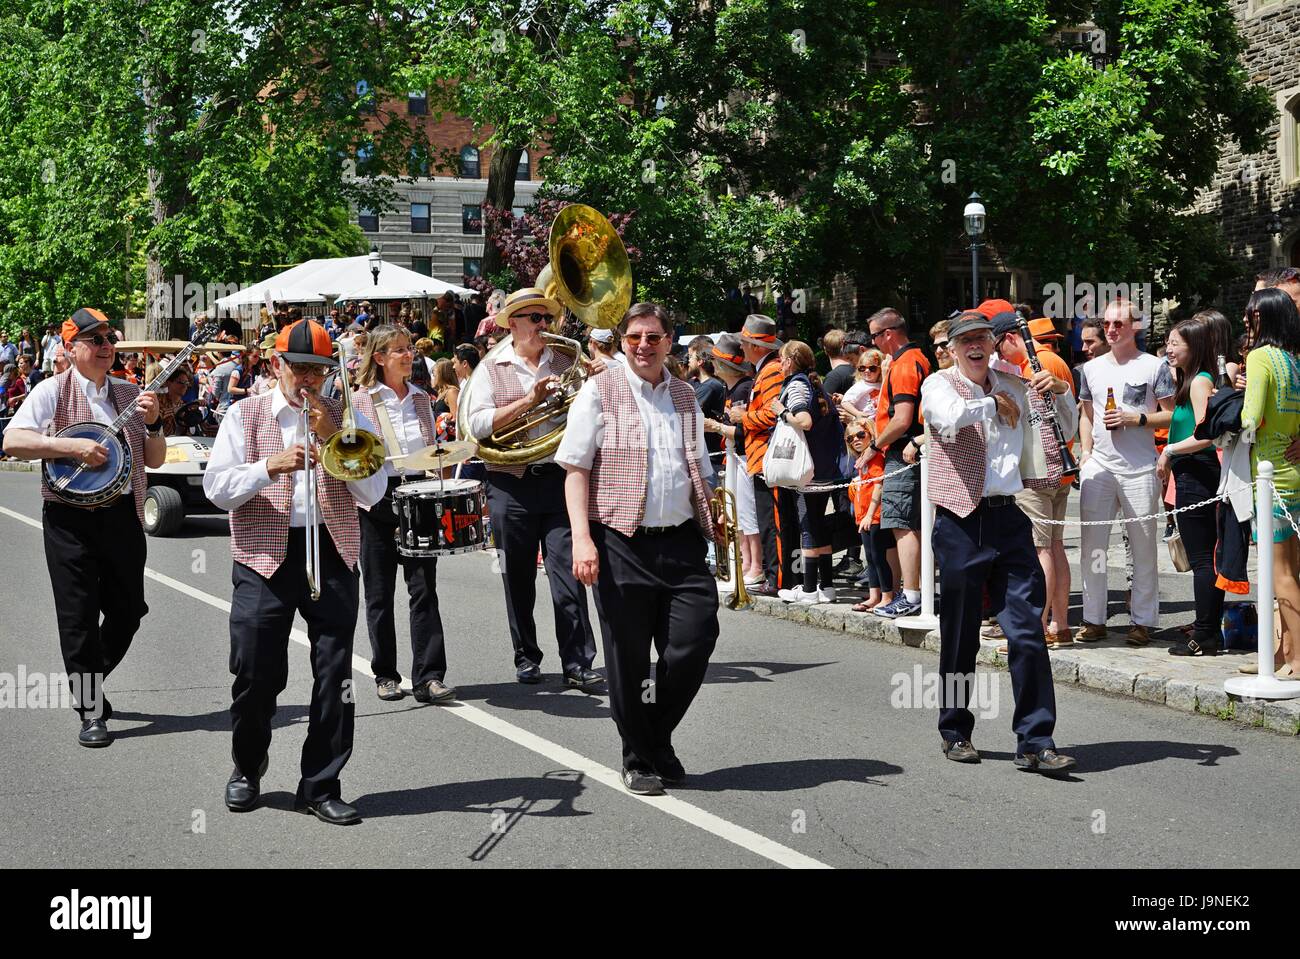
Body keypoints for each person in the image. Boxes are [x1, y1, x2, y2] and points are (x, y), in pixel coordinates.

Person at [203, 318, 387, 825]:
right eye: (298, 368)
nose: (307, 380)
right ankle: (247, 765)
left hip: (333, 549)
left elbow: (374, 496)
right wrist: (270, 467)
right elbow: (217, 489)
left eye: (318, 371)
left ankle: (320, 783)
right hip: (264, 553)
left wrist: (337, 438)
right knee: (255, 670)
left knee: (334, 673)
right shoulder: (245, 414)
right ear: (276, 365)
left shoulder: (352, 415)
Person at [558, 302, 720, 795]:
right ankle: (640, 757)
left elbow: (700, 469)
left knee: (694, 640)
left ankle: (654, 735)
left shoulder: (686, 395)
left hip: (682, 540)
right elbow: (576, 468)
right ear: (623, 342)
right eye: (634, 338)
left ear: (671, 341)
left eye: (653, 337)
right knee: (627, 657)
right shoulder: (598, 390)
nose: (644, 346)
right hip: (620, 541)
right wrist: (582, 540)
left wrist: (715, 524)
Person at [919, 311, 1076, 775]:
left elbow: (1060, 430)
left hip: (1009, 517)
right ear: (950, 348)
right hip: (960, 521)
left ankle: (1036, 739)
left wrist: (1062, 394)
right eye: (964, 339)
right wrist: (993, 403)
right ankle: (954, 729)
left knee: (1027, 631)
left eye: (982, 338)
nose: (974, 346)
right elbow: (947, 419)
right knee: (960, 635)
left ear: (993, 344)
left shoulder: (1016, 381)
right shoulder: (939, 385)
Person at [3, 308, 166, 747]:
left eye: (109, 338)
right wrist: (67, 445)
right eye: (94, 340)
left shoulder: (131, 392)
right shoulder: (49, 391)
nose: (106, 346)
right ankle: (90, 707)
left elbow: (154, 460)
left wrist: (154, 423)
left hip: (121, 515)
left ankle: (87, 677)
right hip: (68, 518)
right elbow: (11, 442)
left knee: (129, 611)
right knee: (77, 616)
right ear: (70, 348)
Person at [461, 287, 600, 686]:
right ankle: (526, 657)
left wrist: (598, 384)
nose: (544, 325)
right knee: (517, 578)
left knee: (569, 576)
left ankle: (578, 662)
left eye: (547, 318)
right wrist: (529, 400)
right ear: (514, 324)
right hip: (510, 484)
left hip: (558, 480)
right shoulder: (492, 367)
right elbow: (479, 426)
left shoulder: (567, 360)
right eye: (535, 319)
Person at [349, 325, 455, 704]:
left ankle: (429, 676)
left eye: (409, 348)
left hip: (417, 492)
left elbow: (430, 451)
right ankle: (386, 674)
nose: (409, 355)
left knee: (424, 589)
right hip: (376, 496)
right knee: (379, 593)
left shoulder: (422, 399)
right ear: (379, 358)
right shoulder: (359, 401)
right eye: (399, 350)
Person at [1075, 300, 1175, 646]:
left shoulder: (1154, 366)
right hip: (1100, 465)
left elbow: (1172, 415)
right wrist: (1086, 454)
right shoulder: (1091, 369)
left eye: (1119, 323)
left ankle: (1142, 622)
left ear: (1136, 326)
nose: (1112, 329)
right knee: (1093, 549)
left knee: (1143, 547)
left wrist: (1137, 419)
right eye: (1107, 324)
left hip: (1140, 467)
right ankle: (1094, 618)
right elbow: (1086, 414)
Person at [990, 312, 1077, 649]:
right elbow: (1065, 420)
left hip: (1039, 470)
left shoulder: (1035, 368)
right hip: (1059, 468)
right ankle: (1061, 625)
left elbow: (1033, 425)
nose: (999, 356)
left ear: (1011, 337)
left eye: (999, 347)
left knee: (1039, 550)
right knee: (1054, 546)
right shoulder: (1046, 364)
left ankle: (1036, 628)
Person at [1157, 312, 1226, 657]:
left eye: (1174, 343)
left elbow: (1206, 434)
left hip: (1197, 473)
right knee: (1204, 557)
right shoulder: (1191, 380)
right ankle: (1209, 630)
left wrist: (1168, 451)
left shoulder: (1199, 381)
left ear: (1193, 346)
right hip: (1192, 473)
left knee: (1201, 559)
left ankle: (1204, 635)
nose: (1168, 348)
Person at [1242, 287, 1300, 677]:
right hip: (1292, 473)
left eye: (1251, 315)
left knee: (1279, 576)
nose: (1247, 320)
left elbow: (1251, 417)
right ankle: (1281, 651)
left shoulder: (1260, 357)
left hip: (1268, 478)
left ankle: (1296, 659)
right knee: (1291, 570)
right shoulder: (1294, 362)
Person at [865, 308, 931, 618]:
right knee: (908, 525)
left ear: (888, 334)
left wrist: (873, 447)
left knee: (903, 526)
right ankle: (916, 592)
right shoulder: (912, 359)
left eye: (875, 336)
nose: (873, 342)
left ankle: (912, 595)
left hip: (903, 452)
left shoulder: (906, 363)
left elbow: (903, 419)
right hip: (911, 452)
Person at [729, 314, 797, 596]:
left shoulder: (769, 371)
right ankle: (774, 576)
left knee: (774, 523)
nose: (742, 349)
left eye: (745, 343)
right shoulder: (766, 369)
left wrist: (743, 417)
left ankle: (778, 578)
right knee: (769, 521)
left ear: (756, 346)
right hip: (762, 456)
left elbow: (771, 414)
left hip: (767, 456)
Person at [774, 339, 846, 603]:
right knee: (818, 525)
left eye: (782, 359)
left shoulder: (796, 385)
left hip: (806, 469)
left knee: (808, 525)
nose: (779, 364)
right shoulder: (814, 384)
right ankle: (825, 587)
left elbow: (804, 420)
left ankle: (807, 590)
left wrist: (782, 412)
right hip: (825, 467)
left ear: (790, 361)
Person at [702, 333, 763, 585]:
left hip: (744, 455)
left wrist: (715, 427)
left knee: (747, 513)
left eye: (716, 361)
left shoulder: (744, 388)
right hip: (734, 455)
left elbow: (743, 429)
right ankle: (745, 563)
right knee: (736, 512)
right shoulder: (732, 388)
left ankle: (754, 565)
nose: (713, 366)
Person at [847, 417, 896, 611]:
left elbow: (878, 486)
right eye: (850, 438)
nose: (856, 440)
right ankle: (874, 595)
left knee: (878, 556)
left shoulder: (875, 458)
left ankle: (886, 595)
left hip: (874, 516)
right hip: (863, 516)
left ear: (870, 435)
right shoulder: (861, 462)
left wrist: (869, 514)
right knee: (870, 557)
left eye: (861, 435)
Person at [687, 335, 726, 478]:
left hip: (710, 457)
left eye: (691, 356)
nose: (687, 361)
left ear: (700, 361)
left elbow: (688, 413)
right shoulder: (693, 382)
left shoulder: (711, 386)